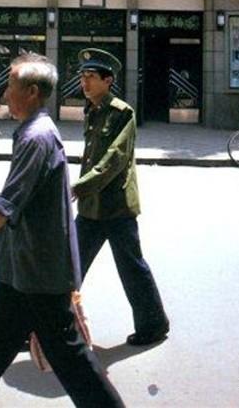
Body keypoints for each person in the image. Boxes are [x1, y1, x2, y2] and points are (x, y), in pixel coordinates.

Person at [0, 53, 125, 408]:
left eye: (12, 87)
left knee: (74, 366)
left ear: (33, 92)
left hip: (38, 276)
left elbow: (5, 208)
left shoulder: (37, 138)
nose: (5, 94)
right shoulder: (32, 134)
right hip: (20, 272)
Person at [72, 49, 169, 347]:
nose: (85, 83)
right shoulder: (91, 110)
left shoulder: (122, 112)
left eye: (91, 77)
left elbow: (114, 158)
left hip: (116, 206)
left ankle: (154, 324)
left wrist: (79, 187)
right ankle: (45, 324)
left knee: (132, 268)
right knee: (69, 265)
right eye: (83, 77)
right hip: (91, 208)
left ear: (108, 80)